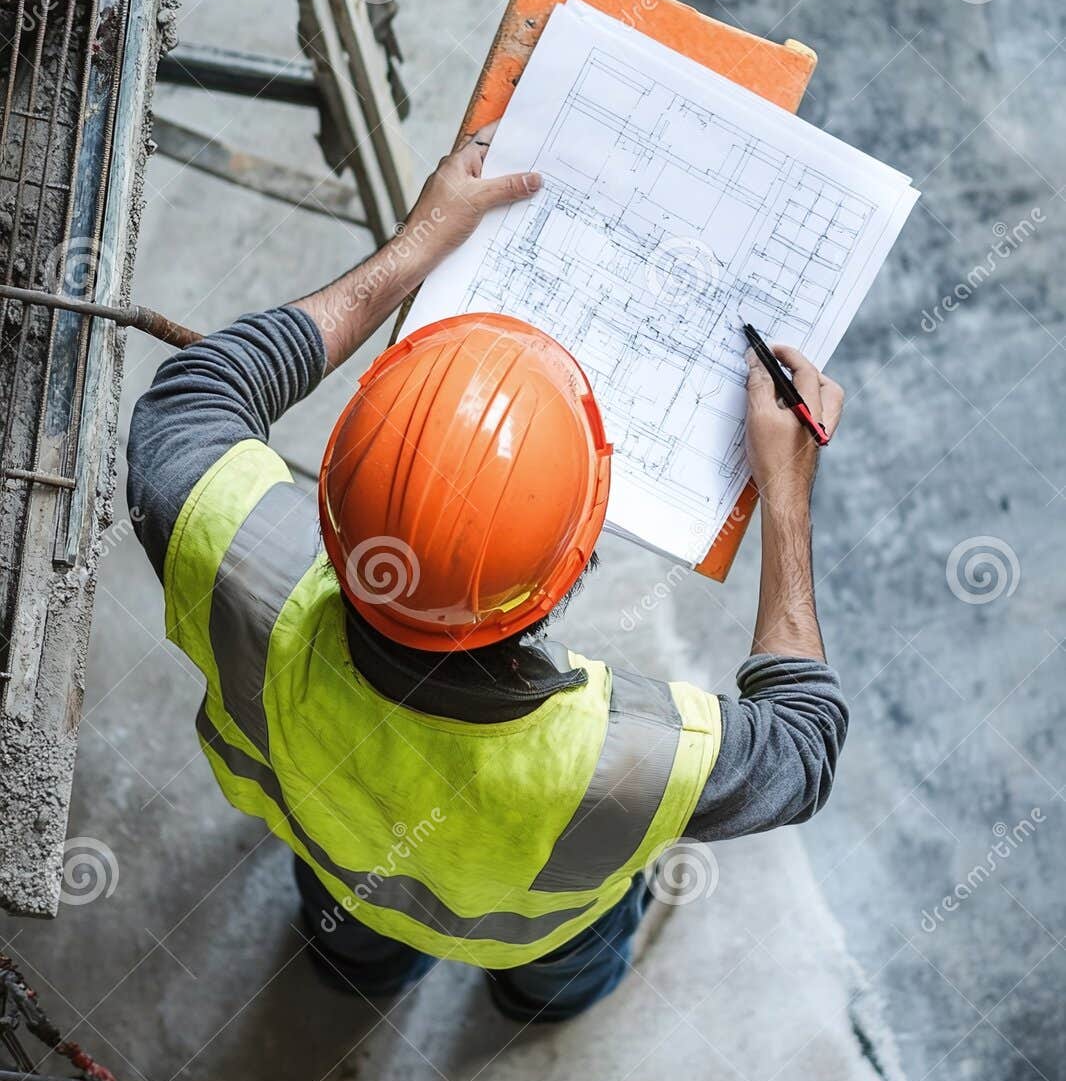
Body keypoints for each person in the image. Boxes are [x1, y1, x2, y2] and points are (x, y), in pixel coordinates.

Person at [126, 125, 847, 1024]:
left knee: (350, 929)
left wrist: (415, 245)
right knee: (566, 961)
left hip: (333, 851)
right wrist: (786, 492)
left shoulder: (231, 553)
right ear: (571, 570)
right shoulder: (623, 759)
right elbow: (803, 746)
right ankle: (537, 1004)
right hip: (532, 930)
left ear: (333, 495)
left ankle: (360, 972)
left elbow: (197, 393)